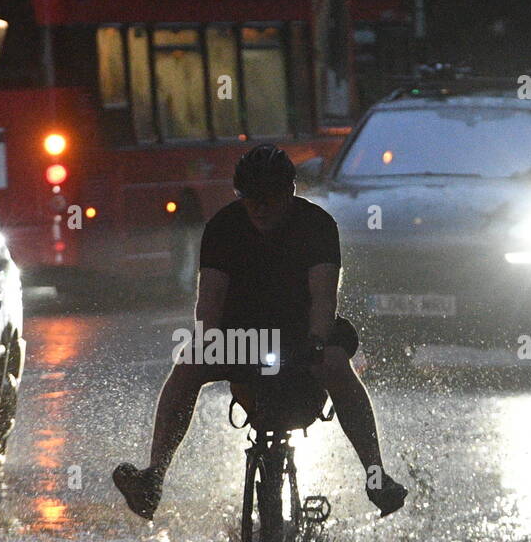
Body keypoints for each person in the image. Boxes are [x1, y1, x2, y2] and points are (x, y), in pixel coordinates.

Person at [113, 144, 408, 520]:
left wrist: (317, 343)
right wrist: (207, 343)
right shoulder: (223, 227)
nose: (261, 208)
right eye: (251, 199)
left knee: (335, 363)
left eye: (270, 198)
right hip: (243, 333)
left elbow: (323, 296)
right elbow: (210, 301)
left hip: (304, 330)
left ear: (290, 192)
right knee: (187, 365)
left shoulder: (317, 225)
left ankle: (376, 474)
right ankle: (153, 477)